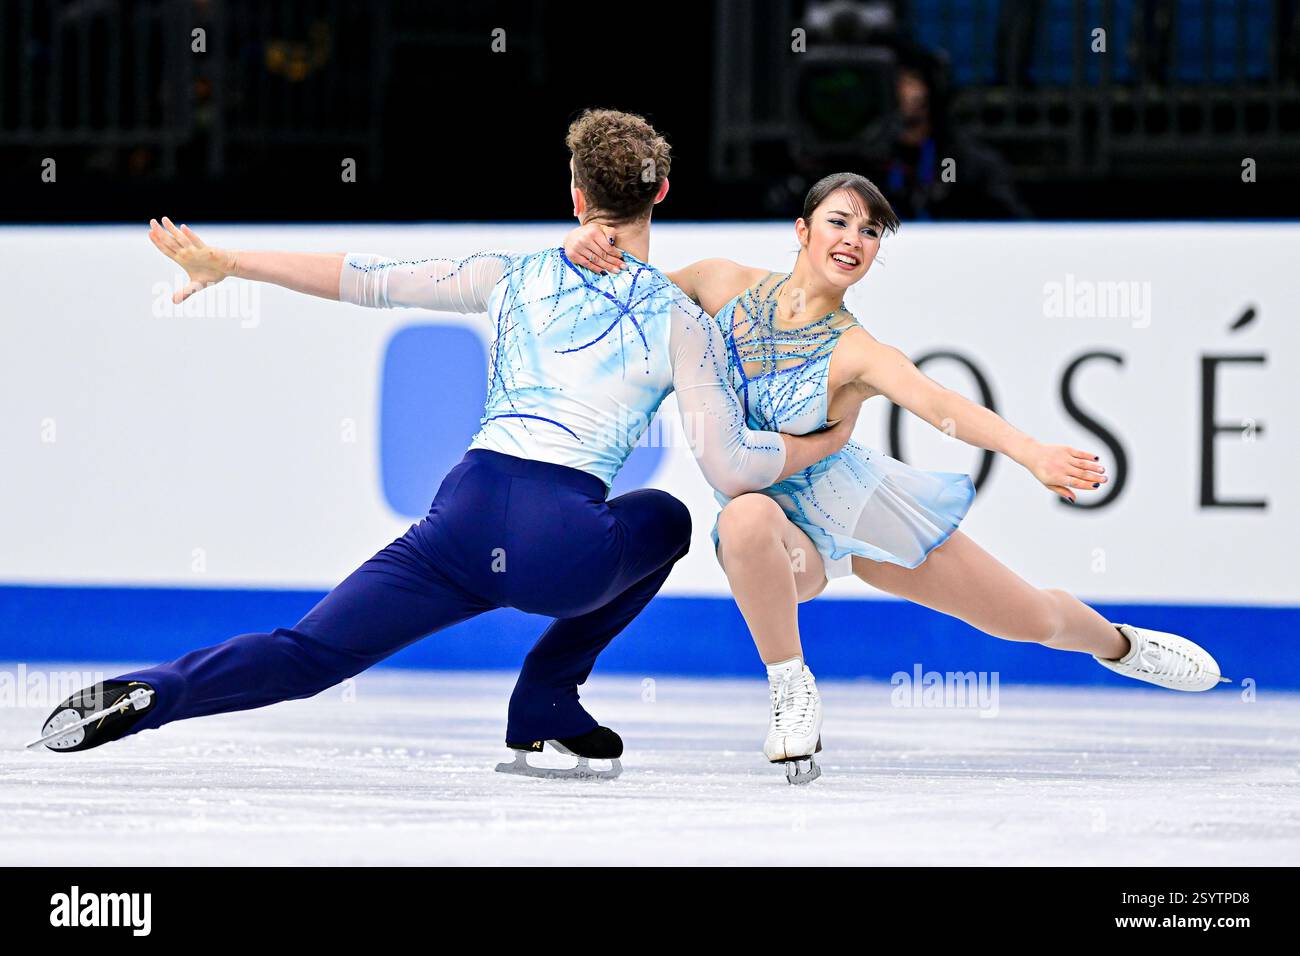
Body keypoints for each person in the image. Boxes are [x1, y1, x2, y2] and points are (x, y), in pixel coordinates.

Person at [29, 110, 856, 780]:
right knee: (668, 517)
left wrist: (231, 262)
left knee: (308, 654)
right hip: (567, 542)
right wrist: (822, 442)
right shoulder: (683, 320)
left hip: (463, 513)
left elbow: (367, 277)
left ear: (575, 196)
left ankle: (155, 689)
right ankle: (544, 697)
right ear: (663, 192)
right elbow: (732, 469)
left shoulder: (515, 274)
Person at [565, 171, 1224, 784]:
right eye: (839, 222)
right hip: (782, 539)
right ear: (803, 230)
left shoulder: (858, 351)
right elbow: (625, 298)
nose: (854, 240)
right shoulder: (718, 283)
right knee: (743, 517)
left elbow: (941, 407)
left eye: (871, 231)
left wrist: (1031, 453)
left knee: (1027, 618)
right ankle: (791, 689)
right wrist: (587, 238)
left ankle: (1122, 644)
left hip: (857, 509)